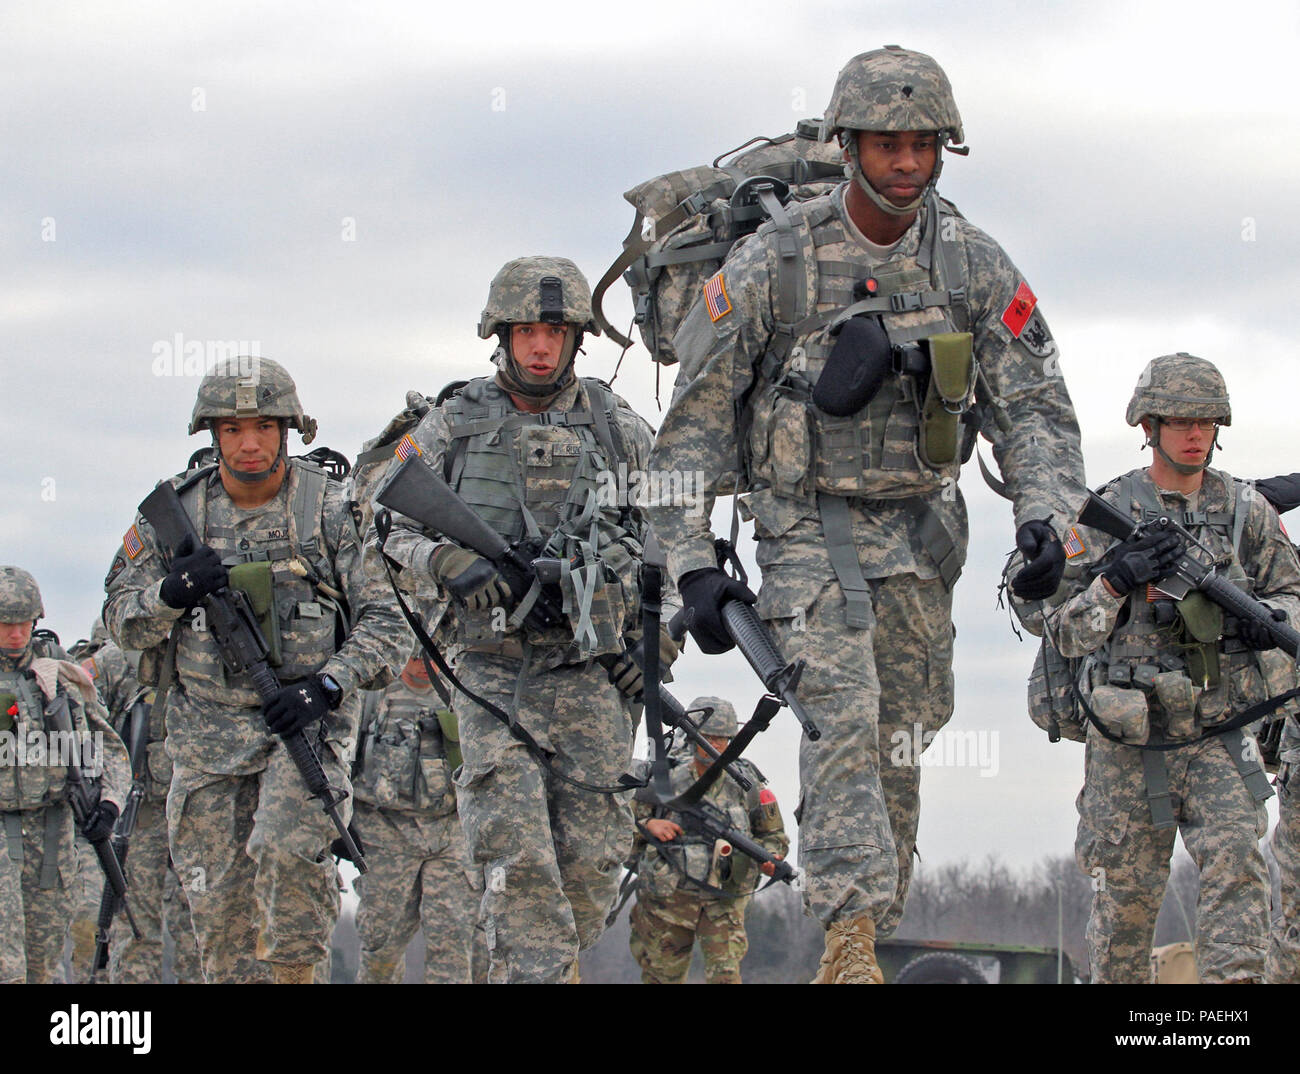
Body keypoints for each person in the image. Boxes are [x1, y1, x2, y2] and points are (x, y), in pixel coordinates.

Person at [644, 46, 1085, 982]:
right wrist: (689, 563)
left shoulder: (968, 262)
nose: (906, 164)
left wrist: (1047, 518)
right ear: (850, 146)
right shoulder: (779, 263)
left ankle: (872, 923)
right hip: (805, 530)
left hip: (924, 537)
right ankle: (846, 942)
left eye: (923, 146)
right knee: (843, 716)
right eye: (887, 144)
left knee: (904, 734)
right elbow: (692, 426)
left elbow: (1036, 407)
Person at [368, 256, 674, 983]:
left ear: (577, 341)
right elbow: (381, 515)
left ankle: (539, 967)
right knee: (513, 844)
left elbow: (676, 540)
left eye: (556, 332)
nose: (541, 347)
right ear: (500, 335)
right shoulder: (452, 423)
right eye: (527, 331)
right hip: (490, 669)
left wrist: (654, 650)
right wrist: (444, 563)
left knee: (594, 859)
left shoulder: (618, 427)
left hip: (589, 669)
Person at [103, 357, 408, 983]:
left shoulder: (329, 508)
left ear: (289, 431)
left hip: (304, 734)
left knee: (288, 862)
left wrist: (328, 686)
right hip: (205, 742)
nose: (249, 443)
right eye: (234, 428)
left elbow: (389, 620)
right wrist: (170, 593)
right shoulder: (173, 518)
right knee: (219, 919)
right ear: (211, 434)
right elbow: (119, 619)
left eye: (265, 427)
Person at [1040, 354, 1297, 983]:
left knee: (1239, 868)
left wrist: (1262, 614)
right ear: (1149, 426)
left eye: (1207, 423)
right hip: (1128, 740)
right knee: (1124, 911)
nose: (1195, 435)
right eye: (1181, 421)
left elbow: (1292, 594)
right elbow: (1060, 630)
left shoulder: (1246, 512)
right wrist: (1114, 583)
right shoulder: (1104, 511)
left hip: (1217, 732)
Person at [0, 567, 130, 984]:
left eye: (23, 623)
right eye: (5, 623)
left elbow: (108, 744)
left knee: (43, 964)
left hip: (52, 833)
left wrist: (109, 804)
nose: (15, 634)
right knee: (8, 967)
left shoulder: (59, 671)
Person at [71, 624, 201, 983]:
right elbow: (74, 714)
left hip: (198, 809)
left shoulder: (206, 645)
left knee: (203, 924)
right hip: (137, 814)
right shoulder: (118, 659)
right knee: (134, 925)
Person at [627, 697, 787, 984]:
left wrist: (770, 859)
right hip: (668, 901)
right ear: (692, 736)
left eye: (723, 738)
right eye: (709, 736)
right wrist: (649, 825)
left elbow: (774, 836)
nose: (716, 744)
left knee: (725, 976)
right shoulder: (662, 779)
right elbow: (621, 827)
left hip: (724, 901)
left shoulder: (746, 783)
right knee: (662, 976)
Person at [351, 645, 481, 983]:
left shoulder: (462, 694)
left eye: (432, 655)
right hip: (385, 834)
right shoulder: (372, 696)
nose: (423, 664)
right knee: (381, 944)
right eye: (415, 655)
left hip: (450, 836)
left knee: (454, 943)